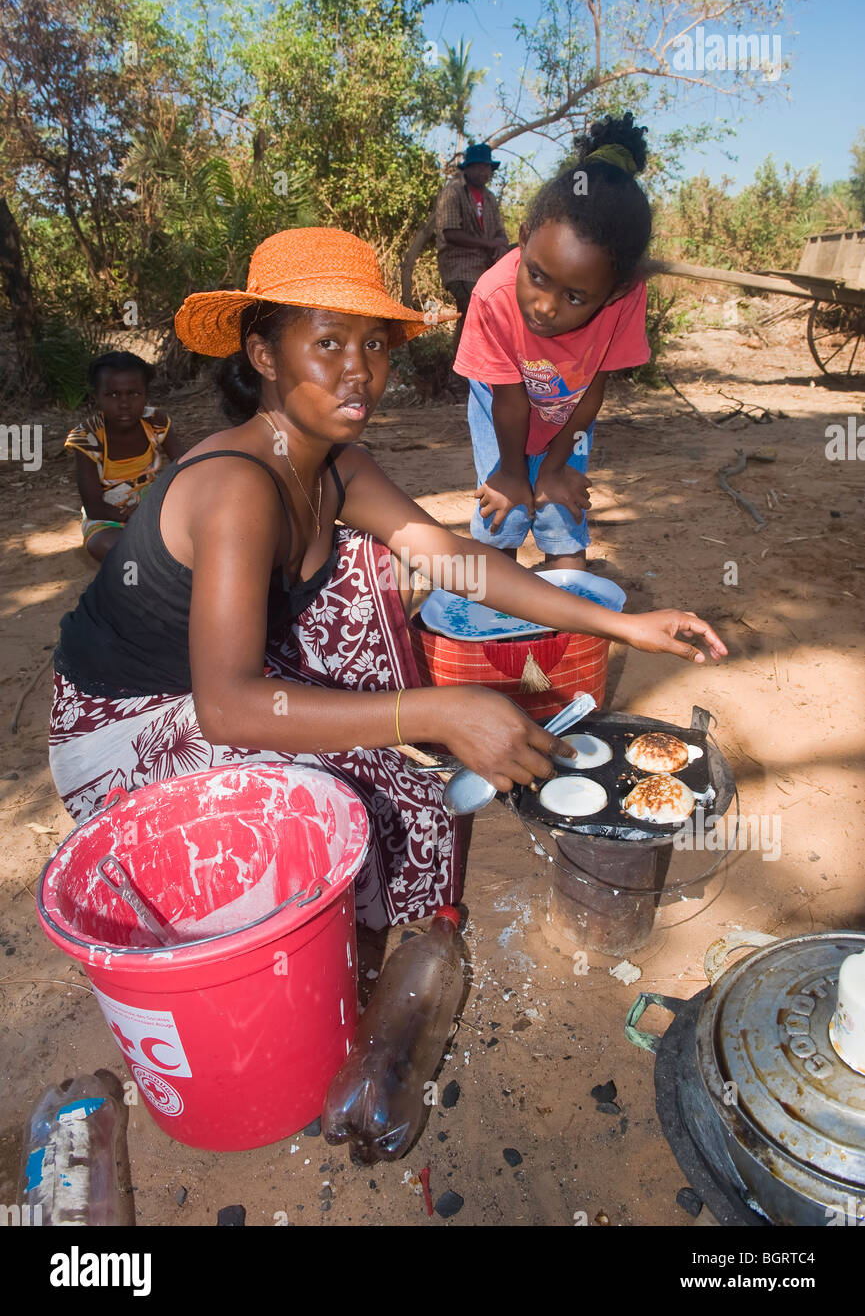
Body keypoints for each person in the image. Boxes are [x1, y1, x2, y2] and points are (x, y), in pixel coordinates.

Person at [48, 227, 726, 931]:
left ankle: (376, 906)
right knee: (359, 681)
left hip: (210, 691)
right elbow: (226, 709)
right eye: (329, 343)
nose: (359, 370)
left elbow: (455, 562)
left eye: (373, 344)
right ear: (263, 356)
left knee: (383, 604)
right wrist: (433, 710)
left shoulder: (341, 467)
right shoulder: (235, 488)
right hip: (131, 730)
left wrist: (618, 624)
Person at [454, 112, 653, 572]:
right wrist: (510, 471)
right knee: (503, 509)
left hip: (571, 408)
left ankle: (567, 627)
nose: (544, 307)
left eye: (576, 296)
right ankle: (495, 614)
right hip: (501, 404)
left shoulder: (626, 299)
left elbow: (592, 394)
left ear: (617, 291)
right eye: (537, 275)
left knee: (560, 512)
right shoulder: (494, 296)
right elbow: (509, 400)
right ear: (523, 241)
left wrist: (554, 468)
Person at [65, 352, 185, 562]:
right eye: (112, 394)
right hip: (111, 518)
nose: (124, 403)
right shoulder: (87, 437)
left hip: (154, 506)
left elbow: (187, 468)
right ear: (96, 396)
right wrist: (132, 518)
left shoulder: (155, 422)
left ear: (146, 394)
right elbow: (94, 507)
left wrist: (154, 507)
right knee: (102, 543)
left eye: (134, 393)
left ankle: (155, 555)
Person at [434, 143, 510, 357]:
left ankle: (477, 371)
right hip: (460, 265)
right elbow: (450, 233)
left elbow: (500, 233)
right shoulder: (452, 192)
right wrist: (489, 244)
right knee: (473, 313)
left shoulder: (490, 197)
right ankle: (460, 376)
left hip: (485, 266)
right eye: (478, 167)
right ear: (466, 168)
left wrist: (500, 247)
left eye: (486, 167)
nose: (483, 172)